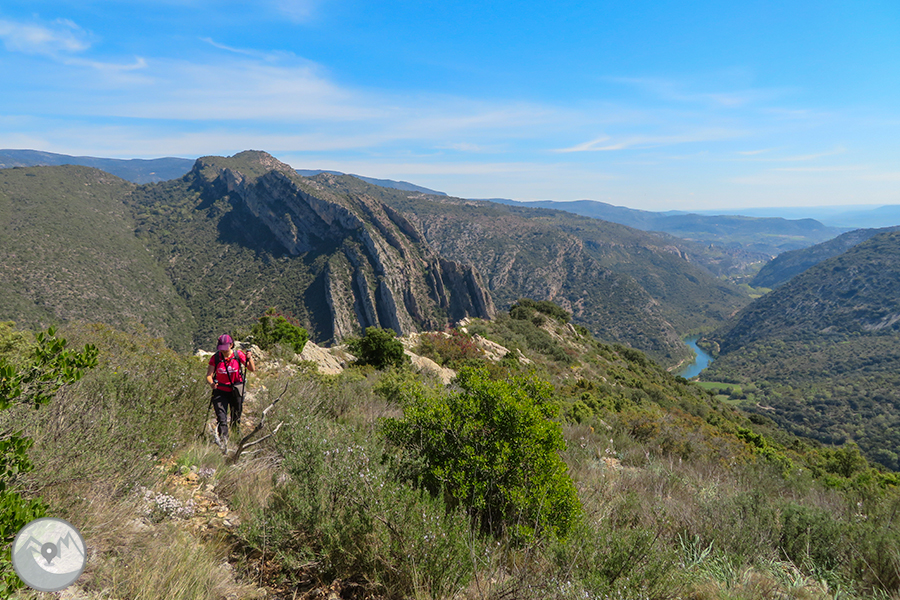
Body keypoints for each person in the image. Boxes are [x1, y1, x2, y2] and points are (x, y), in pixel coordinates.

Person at [206, 333, 255, 441]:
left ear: (231, 345)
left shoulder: (238, 355)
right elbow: (209, 375)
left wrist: (249, 358)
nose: (223, 351)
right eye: (221, 348)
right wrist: (211, 383)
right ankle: (224, 441)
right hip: (220, 391)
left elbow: (252, 369)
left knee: (236, 416)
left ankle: (235, 436)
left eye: (225, 348)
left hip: (236, 390)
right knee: (221, 418)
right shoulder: (216, 358)